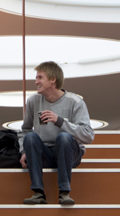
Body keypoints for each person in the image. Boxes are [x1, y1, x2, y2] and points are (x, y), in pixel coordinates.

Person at [19, 61, 94, 206]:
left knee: (64, 137)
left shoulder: (75, 101)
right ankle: (38, 192)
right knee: (30, 137)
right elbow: (25, 130)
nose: (36, 82)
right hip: (45, 153)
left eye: (40, 77)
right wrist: (24, 150)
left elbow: (88, 135)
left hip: (70, 153)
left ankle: (64, 192)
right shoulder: (33, 101)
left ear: (53, 79)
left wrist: (60, 121)